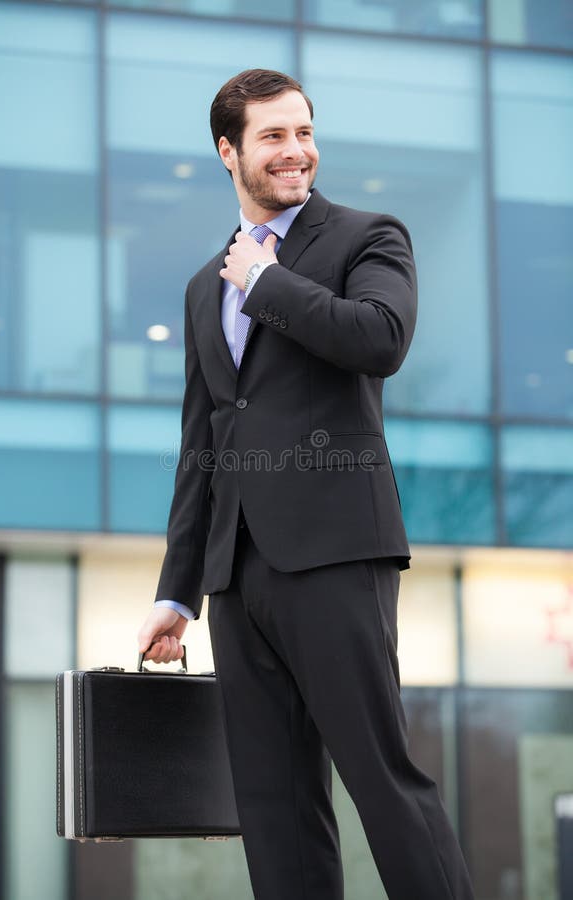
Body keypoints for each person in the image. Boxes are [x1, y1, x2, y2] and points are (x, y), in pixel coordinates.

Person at [137, 68, 474, 900]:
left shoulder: (367, 236)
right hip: (236, 574)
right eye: (273, 136)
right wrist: (178, 592)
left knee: (380, 778)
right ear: (229, 153)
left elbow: (381, 337)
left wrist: (266, 282)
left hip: (336, 554)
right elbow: (203, 440)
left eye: (304, 132)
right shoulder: (198, 288)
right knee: (275, 803)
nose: (297, 151)